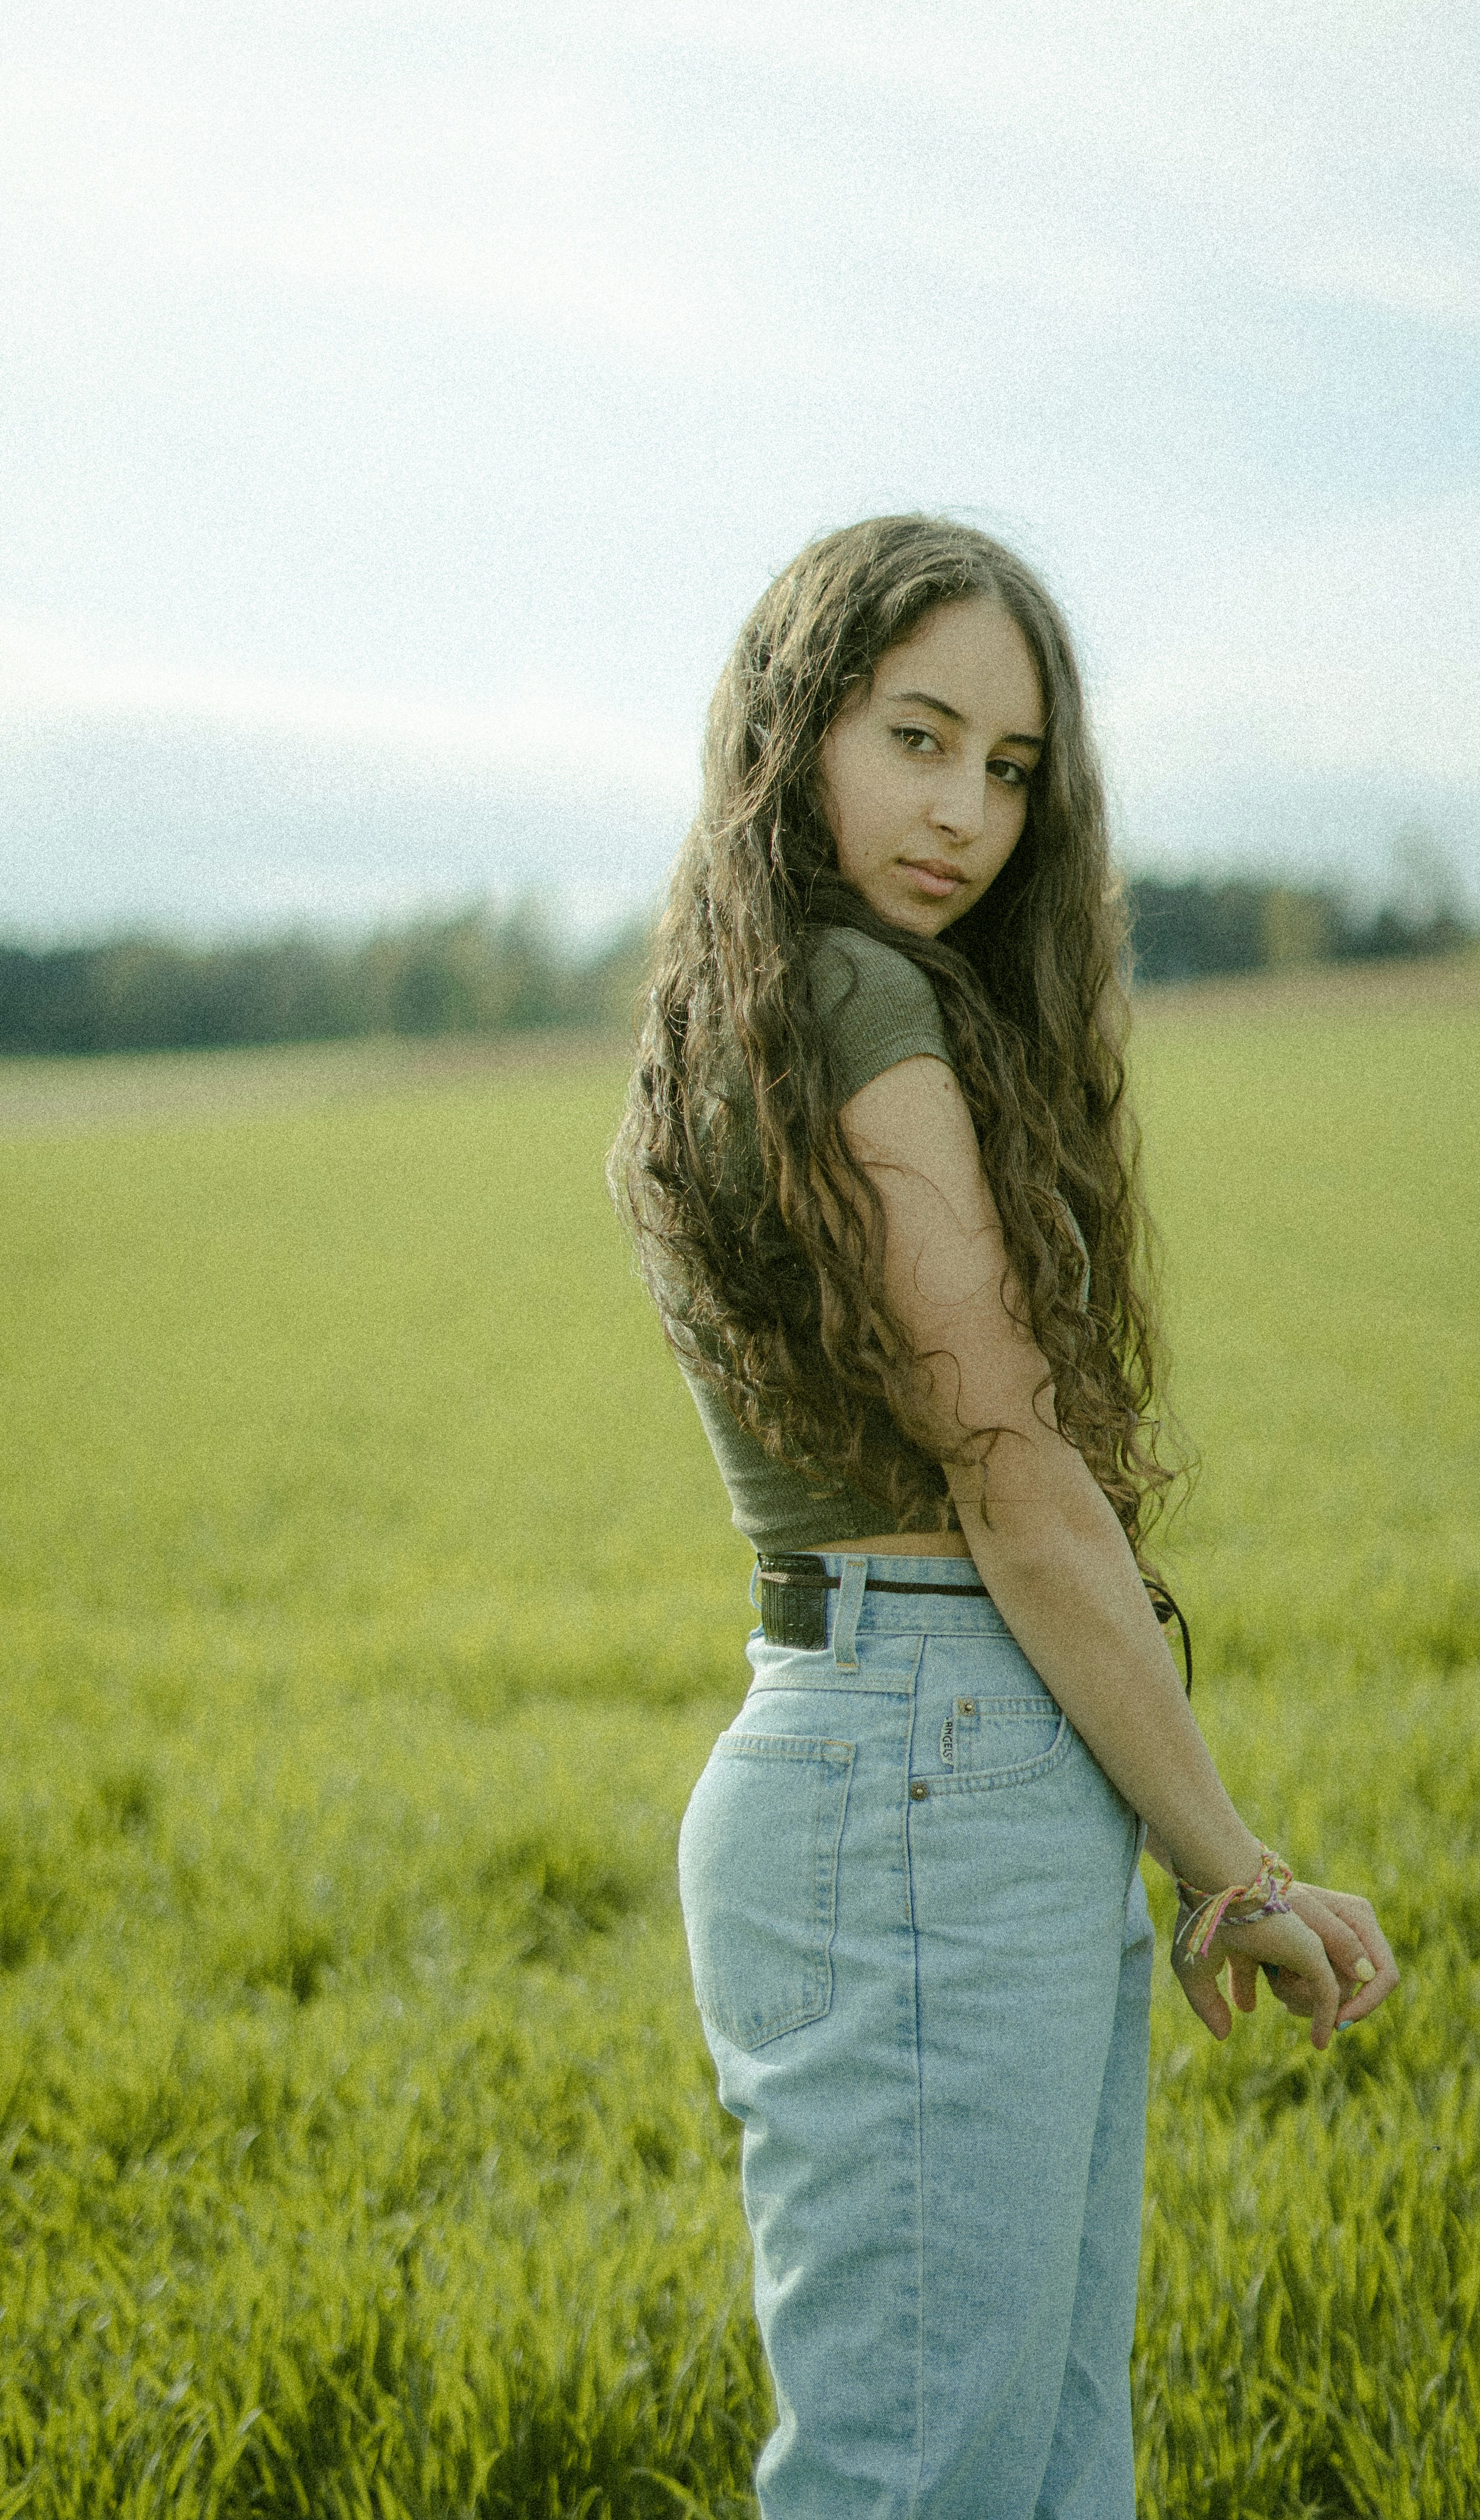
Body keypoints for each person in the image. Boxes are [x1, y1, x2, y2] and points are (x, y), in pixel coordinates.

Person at [611, 516, 1397, 2519]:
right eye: (916, 736)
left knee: (1036, 2468)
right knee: (936, 2479)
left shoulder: (758, 1003)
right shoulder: (860, 1003)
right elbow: (1015, 1482)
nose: (965, 810)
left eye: (1012, 766)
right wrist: (1233, 1866)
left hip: (921, 1772)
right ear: (799, 732)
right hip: (923, 1780)